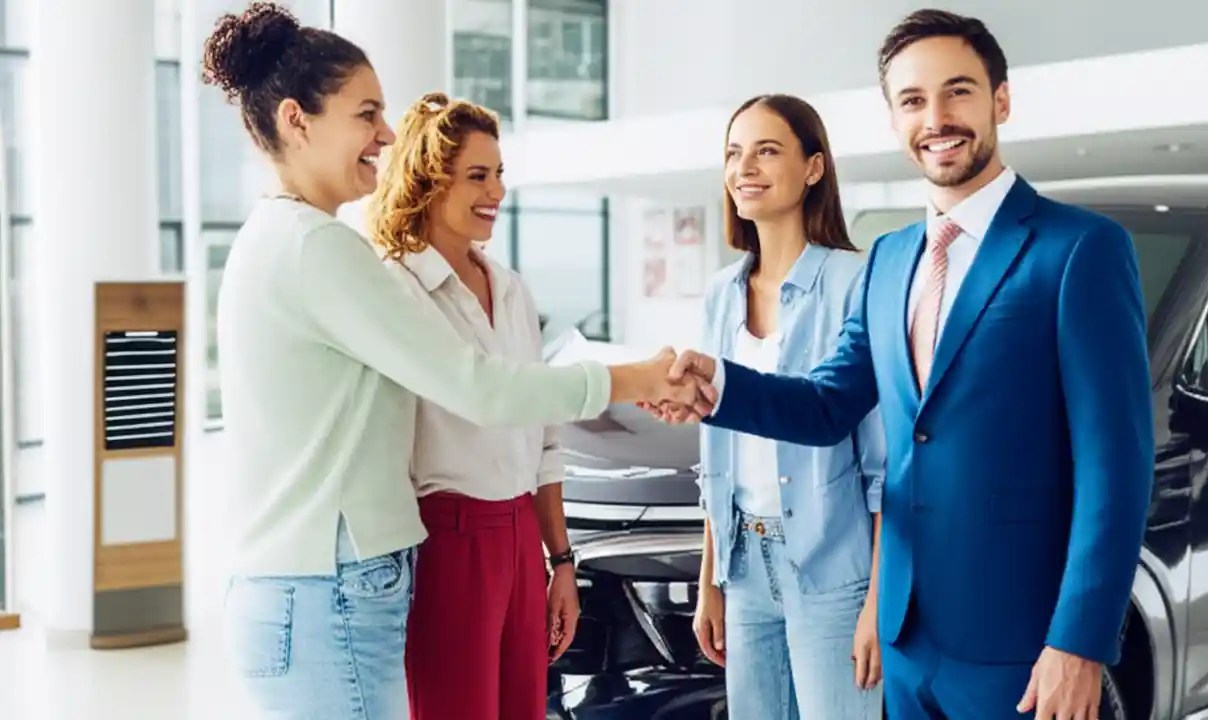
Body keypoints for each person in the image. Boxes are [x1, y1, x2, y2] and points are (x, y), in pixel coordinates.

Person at [202, 4, 694, 719]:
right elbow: (481, 389)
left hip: (307, 583)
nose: (385, 133)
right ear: (295, 120)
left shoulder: (278, 239)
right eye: (365, 112)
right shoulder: (320, 248)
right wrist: (638, 378)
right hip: (328, 583)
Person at [660, 9, 1154, 720]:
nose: (937, 118)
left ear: (1001, 101)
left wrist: (1080, 643)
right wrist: (719, 388)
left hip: (1021, 646)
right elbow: (829, 403)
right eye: (913, 100)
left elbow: (1116, 466)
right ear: (894, 119)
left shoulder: (1079, 248)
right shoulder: (889, 258)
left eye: (958, 92)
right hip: (906, 639)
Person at [365, 93, 575, 720]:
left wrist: (558, 561)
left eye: (500, 174)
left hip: (519, 536)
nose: (497, 191)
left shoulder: (510, 288)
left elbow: (545, 440)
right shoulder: (397, 287)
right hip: (446, 542)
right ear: (430, 182)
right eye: (477, 176)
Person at [686, 94, 886, 719]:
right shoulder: (721, 292)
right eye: (733, 153)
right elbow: (714, 455)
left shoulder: (856, 282)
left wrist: (879, 605)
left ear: (814, 168)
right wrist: (710, 584)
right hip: (744, 568)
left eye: (767, 150)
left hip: (834, 573)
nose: (745, 166)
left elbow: (883, 466)